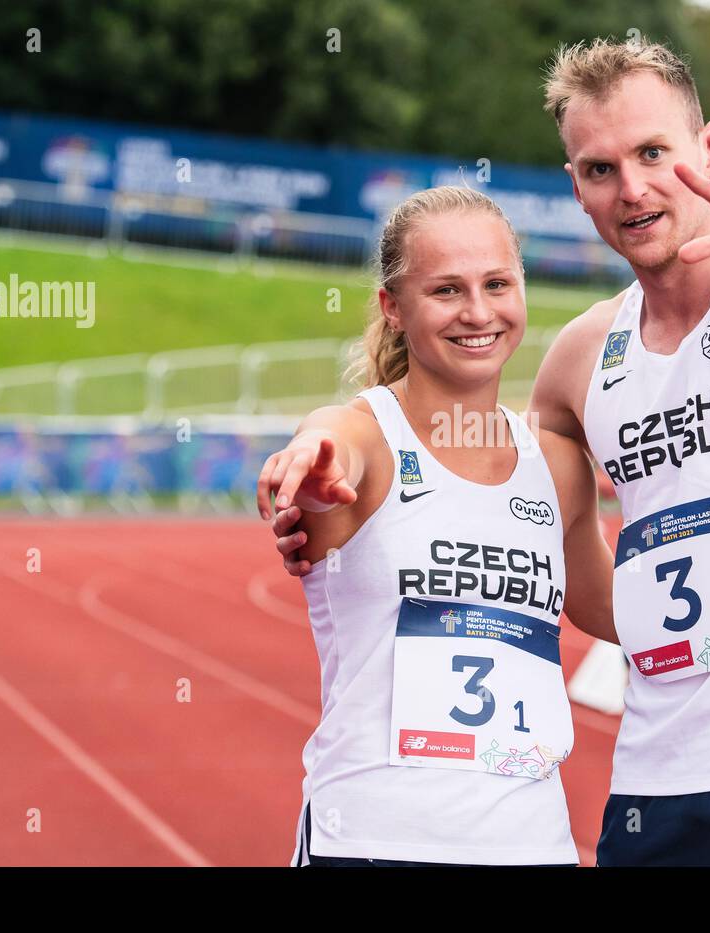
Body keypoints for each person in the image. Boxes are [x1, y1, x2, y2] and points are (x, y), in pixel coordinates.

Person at [271, 38, 710, 866]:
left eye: (654, 153)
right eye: (599, 167)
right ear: (576, 187)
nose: (633, 188)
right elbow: (530, 525)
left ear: (704, 147)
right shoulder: (580, 363)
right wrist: (332, 500)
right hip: (658, 787)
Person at [257, 186, 616, 866]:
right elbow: (333, 440)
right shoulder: (366, 440)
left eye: (497, 284)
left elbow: (617, 609)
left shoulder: (559, 466)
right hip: (373, 841)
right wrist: (308, 455)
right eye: (446, 290)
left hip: (532, 847)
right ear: (394, 308)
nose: (478, 312)